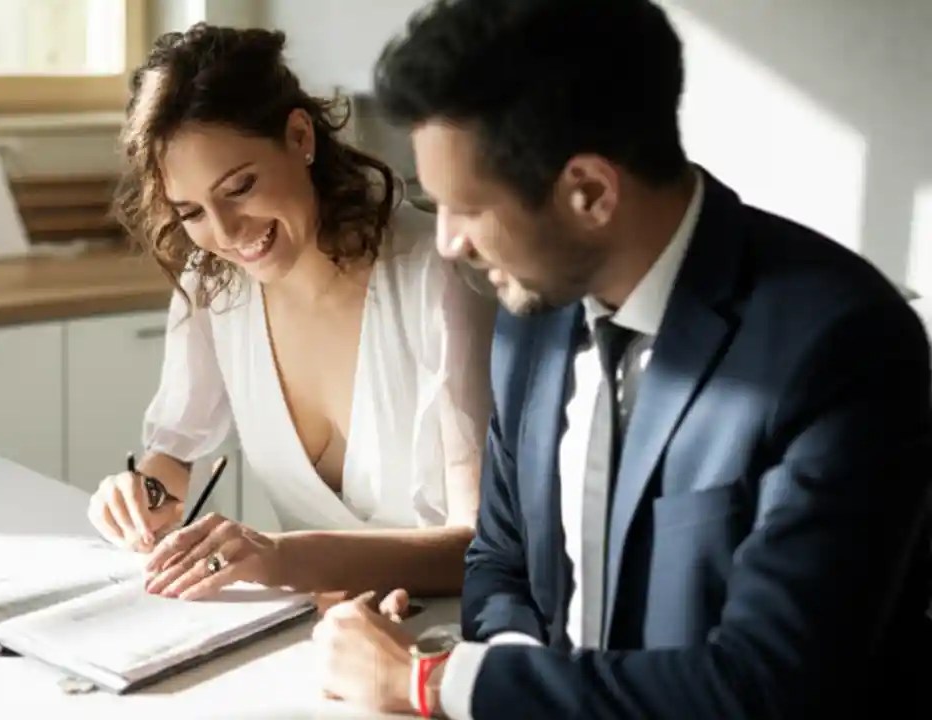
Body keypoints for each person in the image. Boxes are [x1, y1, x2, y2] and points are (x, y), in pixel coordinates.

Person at [313, 0, 932, 717]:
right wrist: (517, 683)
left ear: (590, 192)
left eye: (468, 208)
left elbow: (771, 684)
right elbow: (500, 560)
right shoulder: (529, 322)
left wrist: (431, 682)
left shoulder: (841, 344)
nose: (448, 241)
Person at [86, 23, 498, 603]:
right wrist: (141, 495)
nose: (226, 234)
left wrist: (284, 557)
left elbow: (481, 549)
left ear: (300, 136)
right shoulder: (212, 284)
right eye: (192, 212)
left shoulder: (441, 274)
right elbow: (174, 456)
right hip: (309, 632)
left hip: (442, 641)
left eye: (240, 186)